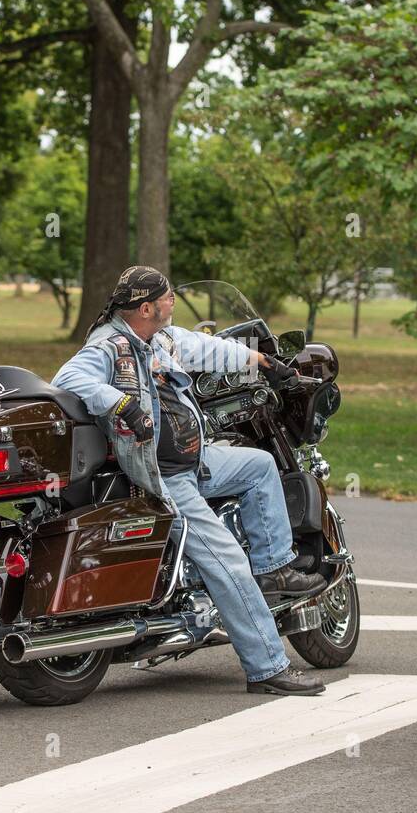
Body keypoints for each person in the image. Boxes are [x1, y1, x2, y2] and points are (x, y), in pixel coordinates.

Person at [52, 266, 327, 696]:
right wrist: (121, 403)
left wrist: (265, 362)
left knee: (258, 466)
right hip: (160, 476)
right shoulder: (110, 345)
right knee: (229, 562)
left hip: (194, 463)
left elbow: (211, 349)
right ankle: (268, 668)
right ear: (145, 308)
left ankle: (273, 570)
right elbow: (67, 380)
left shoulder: (160, 339)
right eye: (166, 298)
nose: (172, 301)